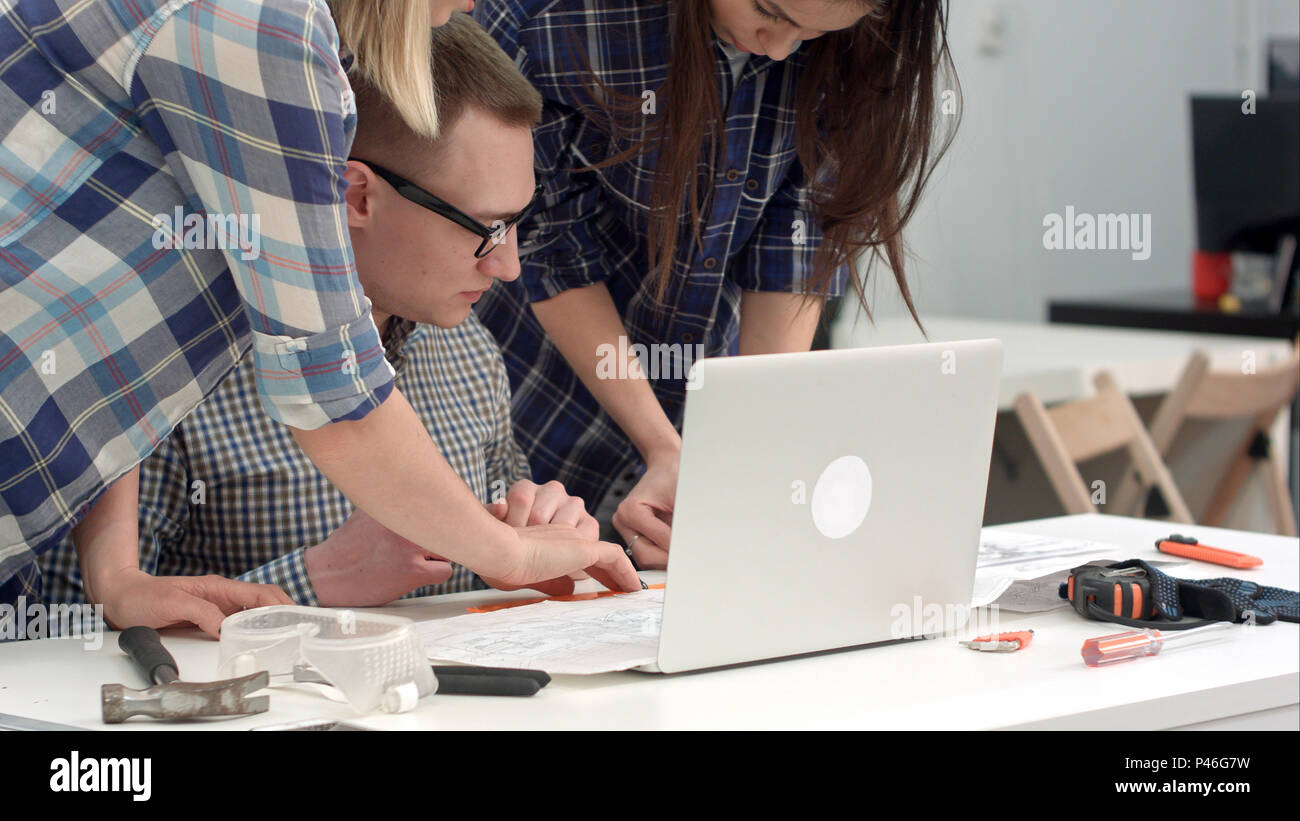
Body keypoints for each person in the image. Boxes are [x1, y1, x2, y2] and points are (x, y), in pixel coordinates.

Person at [0, 0, 637, 639]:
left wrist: (114, 574)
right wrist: (503, 554)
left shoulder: (466, 352)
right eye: (489, 228)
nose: (510, 267)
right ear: (354, 193)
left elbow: (99, 304)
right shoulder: (267, 24)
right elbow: (333, 396)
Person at [472, 0, 957, 568]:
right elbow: (552, 251)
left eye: (811, 31)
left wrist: (742, 456)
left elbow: (794, 252)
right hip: (535, 404)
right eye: (768, 11)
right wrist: (661, 445)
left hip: (700, 408)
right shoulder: (556, 20)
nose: (779, 47)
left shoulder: (852, 51)